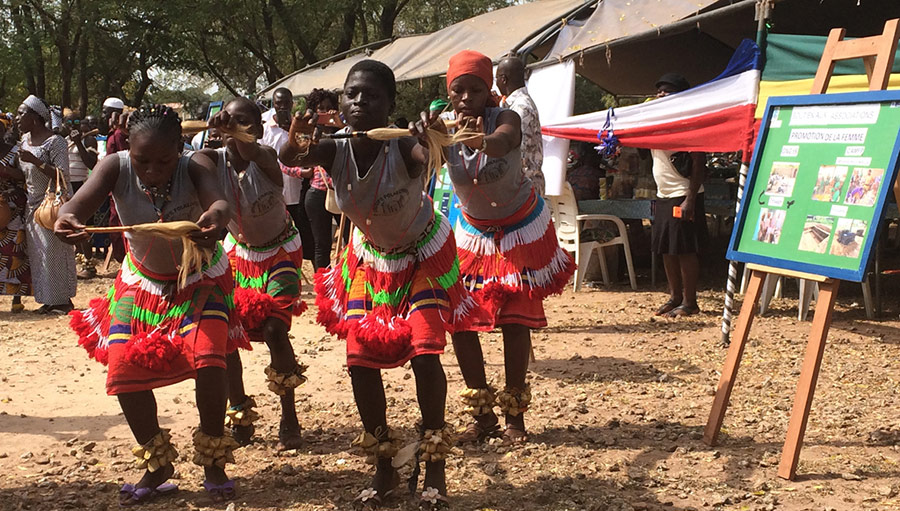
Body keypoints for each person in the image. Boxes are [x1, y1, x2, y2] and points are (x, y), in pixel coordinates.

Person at [280, 59, 479, 509]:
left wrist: (427, 137)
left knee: (426, 353)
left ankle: (433, 464)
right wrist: (298, 134)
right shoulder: (333, 149)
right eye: (351, 94)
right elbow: (291, 158)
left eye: (371, 95)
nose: (359, 101)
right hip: (371, 260)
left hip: (421, 255)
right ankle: (384, 463)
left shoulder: (405, 145)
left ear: (390, 104)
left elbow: (425, 159)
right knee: (360, 360)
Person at [57, 105, 243, 505]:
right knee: (122, 366)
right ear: (129, 150)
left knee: (209, 359)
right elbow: (76, 207)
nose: (153, 171)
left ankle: (213, 460)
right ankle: (158, 462)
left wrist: (215, 217)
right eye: (143, 161)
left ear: (179, 148)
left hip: (199, 277)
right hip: (141, 281)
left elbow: (220, 203)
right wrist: (68, 220)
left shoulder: (194, 165)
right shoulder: (114, 166)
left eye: (163, 161)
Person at [441, 50, 576, 445]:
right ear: (449, 94)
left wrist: (474, 137)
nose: (466, 98)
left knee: (515, 319)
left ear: (491, 90)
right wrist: (427, 135)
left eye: (475, 89)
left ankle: (515, 415)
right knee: (461, 320)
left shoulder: (507, 118)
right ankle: (481, 414)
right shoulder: (442, 127)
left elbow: (502, 143)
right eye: (458, 90)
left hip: (520, 229)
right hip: (472, 233)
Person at [199, 97, 307, 450]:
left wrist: (237, 135)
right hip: (238, 254)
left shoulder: (267, 159)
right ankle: (240, 410)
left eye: (243, 121)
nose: (233, 127)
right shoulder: (211, 164)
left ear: (259, 130)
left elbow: (255, 154)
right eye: (228, 120)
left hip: (281, 250)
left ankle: (289, 414)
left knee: (275, 329)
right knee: (228, 334)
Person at [7, 95, 76, 314]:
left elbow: (62, 174)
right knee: (40, 255)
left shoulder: (55, 142)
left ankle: (63, 301)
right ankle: (48, 299)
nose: (18, 118)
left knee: (55, 251)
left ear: (35, 118)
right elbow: (22, 174)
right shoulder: (24, 140)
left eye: (21, 113)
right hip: (32, 205)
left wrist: (36, 161)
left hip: (52, 205)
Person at [650, 73, 706, 318]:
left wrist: (690, 199)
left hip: (683, 194)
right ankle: (674, 297)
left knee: (685, 249)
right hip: (663, 194)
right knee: (666, 249)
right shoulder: (654, 121)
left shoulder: (690, 122)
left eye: (668, 91)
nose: (661, 94)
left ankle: (690, 301)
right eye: (659, 90)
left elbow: (698, 161)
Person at [261, 87, 314, 262]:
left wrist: (289, 130)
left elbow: (306, 152)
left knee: (305, 237)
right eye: (278, 104)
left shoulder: (299, 125)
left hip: (297, 193)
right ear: (273, 105)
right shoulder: (265, 128)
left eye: (286, 103)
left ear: (292, 104)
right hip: (274, 195)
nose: (282, 107)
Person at [299, 88, 344, 270]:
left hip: (342, 192)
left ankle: (347, 285)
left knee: (348, 243)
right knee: (322, 245)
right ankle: (324, 289)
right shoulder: (305, 132)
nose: (325, 112)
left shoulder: (344, 131)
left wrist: (339, 124)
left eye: (329, 108)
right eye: (321, 109)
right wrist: (302, 172)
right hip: (317, 194)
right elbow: (286, 162)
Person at [497, 55, 544, 197]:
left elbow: (520, 151)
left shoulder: (521, 108)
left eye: (496, 79)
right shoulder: (515, 105)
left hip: (524, 186)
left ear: (503, 79)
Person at [0, 113, 31, 312]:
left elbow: (25, 176)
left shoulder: (16, 151)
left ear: (4, 130)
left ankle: (17, 298)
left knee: (15, 251)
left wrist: (8, 173)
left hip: (15, 207)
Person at [66, 112, 100, 279]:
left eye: (77, 121)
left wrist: (78, 142)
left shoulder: (89, 140)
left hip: (82, 186)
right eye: (69, 122)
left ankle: (89, 265)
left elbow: (91, 163)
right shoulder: (63, 142)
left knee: (82, 225)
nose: (73, 124)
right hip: (67, 186)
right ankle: (77, 262)